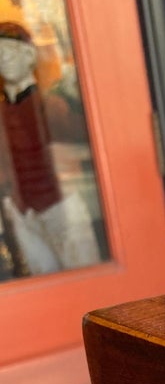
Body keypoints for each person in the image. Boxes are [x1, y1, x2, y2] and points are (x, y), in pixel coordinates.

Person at [0, 21, 98, 274]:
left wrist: (68, 157)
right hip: (23, 212)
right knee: (44, 277)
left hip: (58, 205)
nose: (4, 60)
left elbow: (94, 147)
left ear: (28, 56)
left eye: (9, 52)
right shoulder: (2, 111)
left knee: (84, 277)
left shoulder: (50, 105)